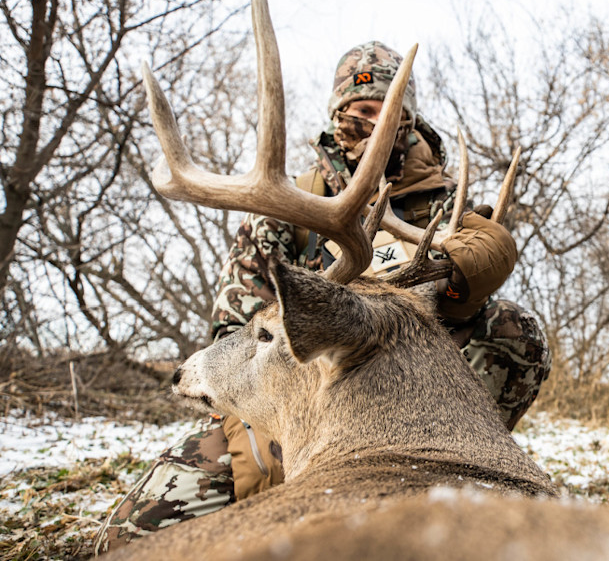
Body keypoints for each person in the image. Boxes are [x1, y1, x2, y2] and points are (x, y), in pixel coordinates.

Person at [94, 41, 551, 553]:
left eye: (389, 112)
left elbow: (451, 322)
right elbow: (236, 332)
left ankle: (462, 467)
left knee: (514, 327)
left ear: (409, 118)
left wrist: (466, 294)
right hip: (284, 395)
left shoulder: (445, 212)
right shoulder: (284, 203)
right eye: (361, 112)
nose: (375, 123)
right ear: (339, 113)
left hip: (409, 400)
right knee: (129, 537)